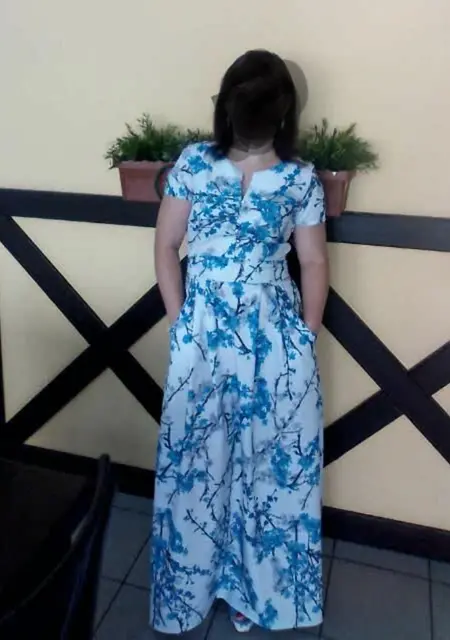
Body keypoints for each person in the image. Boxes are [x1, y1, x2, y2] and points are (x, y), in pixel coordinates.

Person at [150, 49, 329, 634]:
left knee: (270, 469)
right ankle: (189, 594)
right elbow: (166, 245)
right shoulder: (193, 164)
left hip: (274, 340)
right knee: (196, 463)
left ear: (282, 115)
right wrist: (179, 322)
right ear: (227, 107)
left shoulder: (300, 180)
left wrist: (305, 336)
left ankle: (255, 593)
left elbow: (313, 260)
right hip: (201, 334)